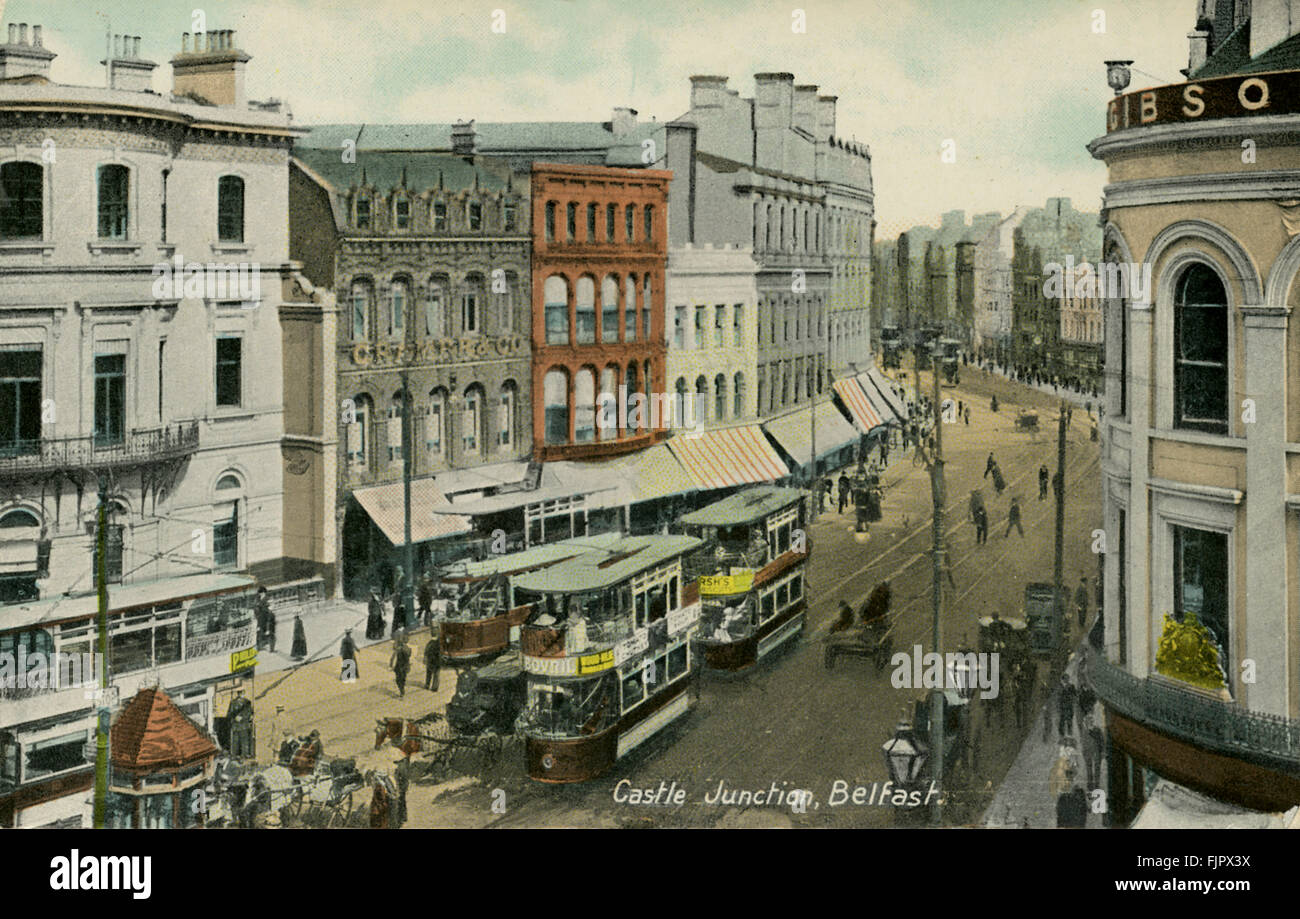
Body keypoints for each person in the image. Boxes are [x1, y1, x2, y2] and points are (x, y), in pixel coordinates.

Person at [227, 689, 255, 761]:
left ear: (244, 693)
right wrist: (234, 718)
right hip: (236, 726)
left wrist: (242, 717)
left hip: (244, 725)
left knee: (244, 742)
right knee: (235, 742)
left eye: (242, 692)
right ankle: (235, 757)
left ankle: (244, 757)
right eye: (239, 692)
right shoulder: (233, 702)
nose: (240, 694)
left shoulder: (247, 702)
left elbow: (250, 713)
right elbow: (229, 713)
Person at [1058, 671, 1078, 737]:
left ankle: (1070, 734)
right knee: (1062, 721)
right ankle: (1061, 735)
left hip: (1069, 706)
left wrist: (1072, 700)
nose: (1067, 680)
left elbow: (1075, 695)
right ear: (1063, 679)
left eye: (1068, 678)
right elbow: (1058, 697)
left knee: (1069, 721)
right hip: (1062, 707)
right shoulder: (1060, 687)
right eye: (1065, 678)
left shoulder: (1071, 686)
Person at [424, 627, 442, 691]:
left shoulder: (429, 643)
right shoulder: (439, 642)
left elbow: (426, 651)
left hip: (430, 660)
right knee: (436, 674)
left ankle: (427, 685)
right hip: (437, 660)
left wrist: (425, 658)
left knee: (429, 673)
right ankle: (434, 687)